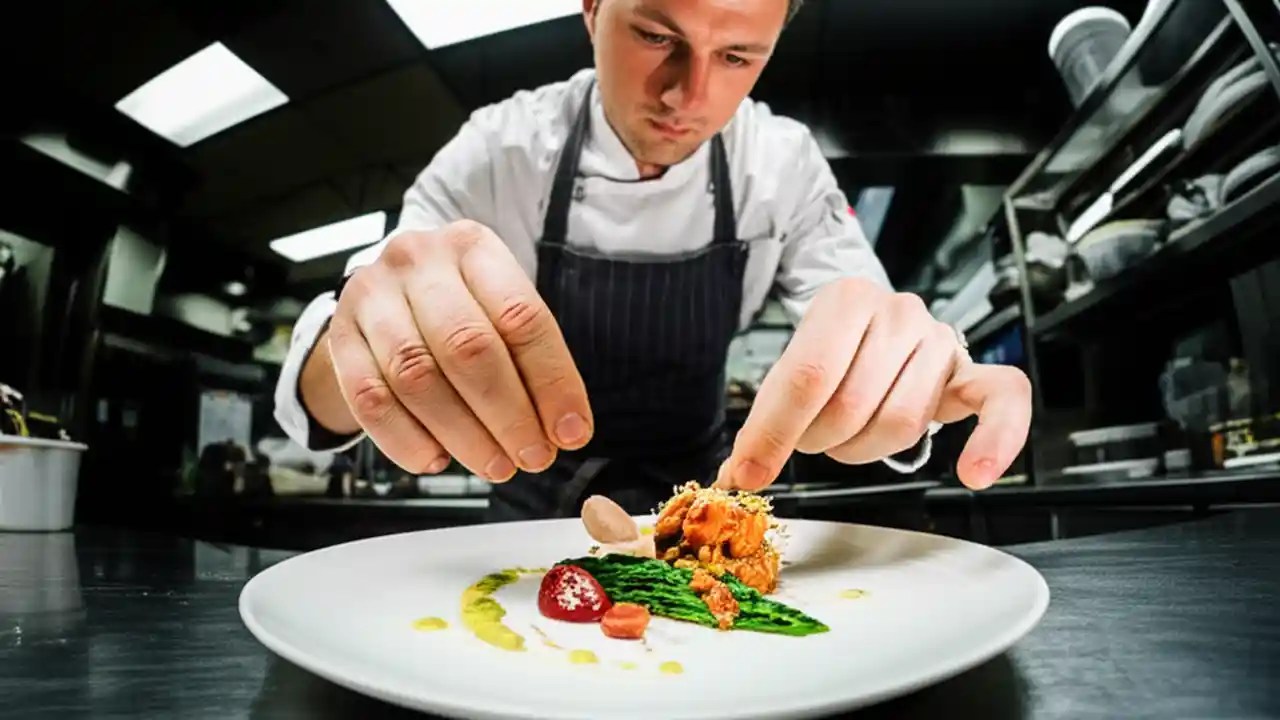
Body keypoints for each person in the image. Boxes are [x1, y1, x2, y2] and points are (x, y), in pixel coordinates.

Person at [273, 0, 1032, 521]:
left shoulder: (781, 164)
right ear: (592, 9)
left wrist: (912, 369)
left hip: (701, 503)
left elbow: (865, 321)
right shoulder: (498, 152)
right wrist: (360, 350)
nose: (688, 95)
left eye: (736, 56)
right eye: (656, 37)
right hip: (526, 516)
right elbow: (353, 341)